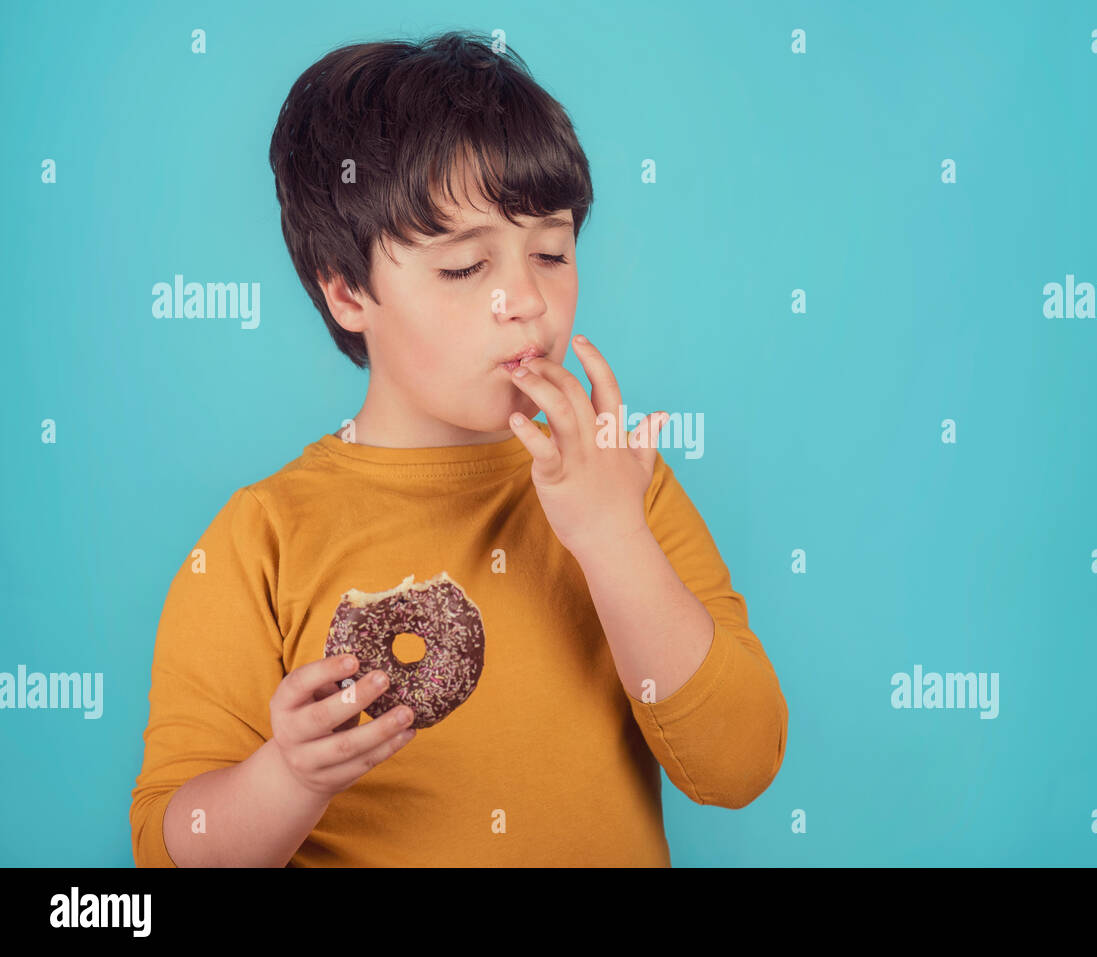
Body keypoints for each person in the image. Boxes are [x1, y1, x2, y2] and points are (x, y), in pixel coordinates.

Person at [129, 30, 787, 867]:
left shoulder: (625, 484)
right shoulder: (261, 537)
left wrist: (612, 537)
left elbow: (740, 764)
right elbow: (168, 844)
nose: (525, 300)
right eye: (465, 267)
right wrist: (288, 777)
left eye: (551, 252)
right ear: (347, 290)